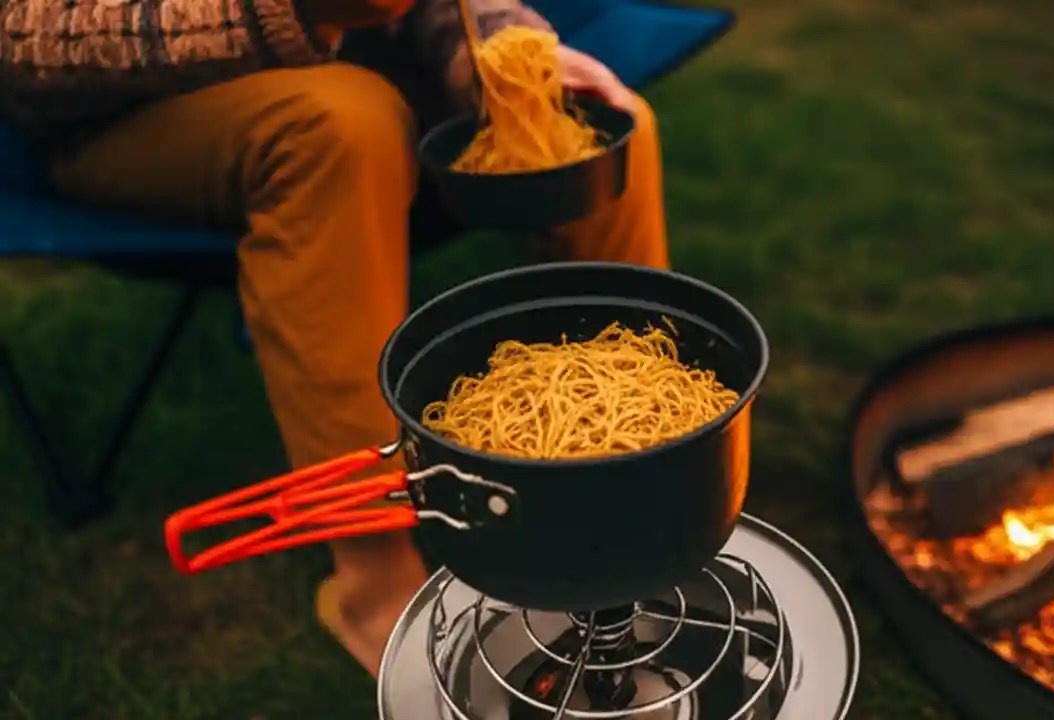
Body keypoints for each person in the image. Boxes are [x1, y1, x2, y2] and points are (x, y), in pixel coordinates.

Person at [1, 0, 669, 675]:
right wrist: (292, 13)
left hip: (373, 71)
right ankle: (373, 585)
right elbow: (25, 36)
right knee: (340, 126)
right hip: (129, 111)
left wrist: (495, 49)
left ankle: (636, 491)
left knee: (606, 126)